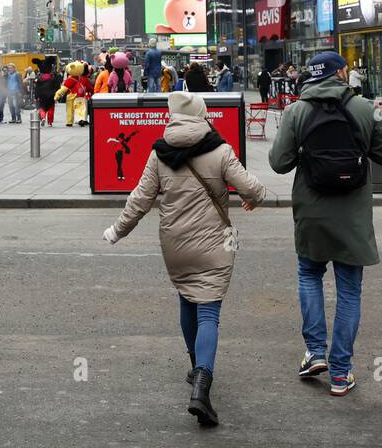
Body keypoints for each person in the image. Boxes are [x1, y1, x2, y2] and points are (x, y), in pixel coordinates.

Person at [102, 91, 271, 427]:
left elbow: (139, 200)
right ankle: (202, 386)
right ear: (203, 114)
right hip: (214, 242)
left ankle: (196, 366)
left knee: (186, 299)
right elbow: (253, 189)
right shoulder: (221, 151)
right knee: (208, 310)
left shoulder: (159, 154)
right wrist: (253, 199)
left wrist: (116, 231)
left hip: (174, 243)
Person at [268, 51, 382, 397]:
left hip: (311, 214)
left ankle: (314, 353)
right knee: (350, 292)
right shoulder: (362, 108)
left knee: (309, 276)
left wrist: (306, 153)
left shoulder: (296, 110)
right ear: (340, 73)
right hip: (353, 218)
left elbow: (279, 163)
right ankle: (340, 373)